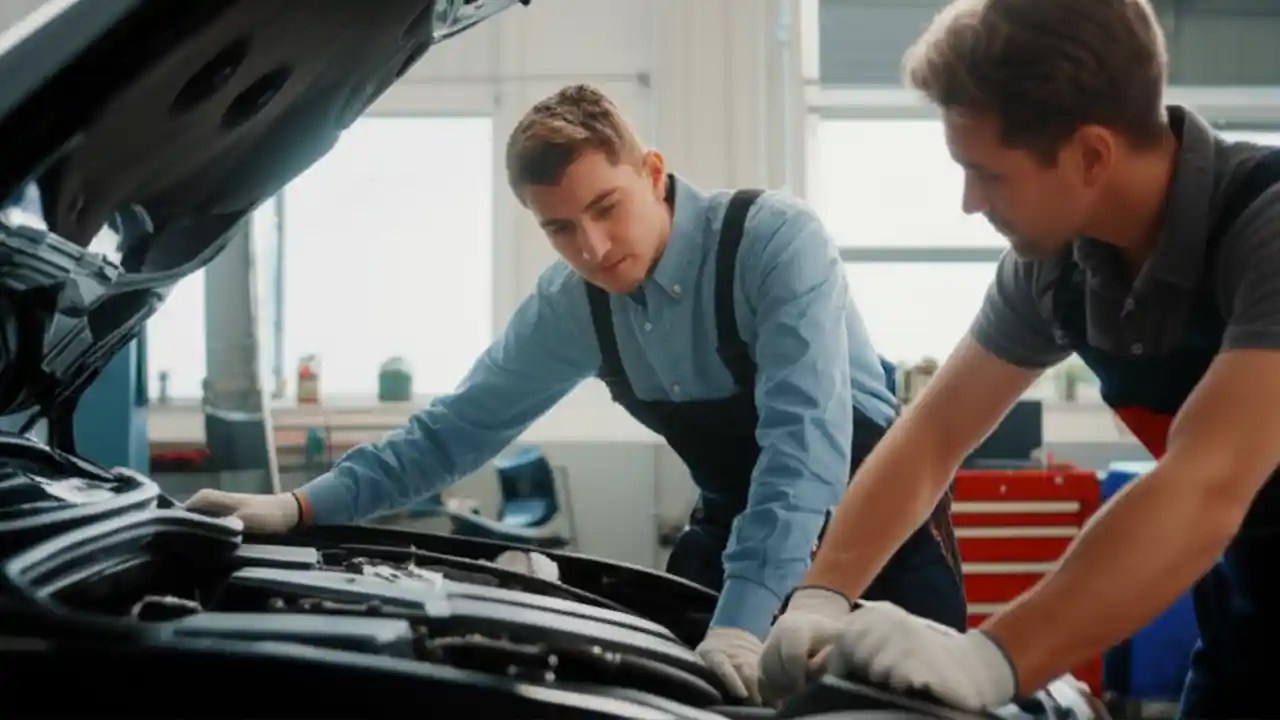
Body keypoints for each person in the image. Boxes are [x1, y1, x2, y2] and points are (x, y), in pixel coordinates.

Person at [184, 83, 966, 705]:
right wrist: (298, 509)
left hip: (878, 534)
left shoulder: (774, 243)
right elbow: (454, 431)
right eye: (559, 228)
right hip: (734, 532)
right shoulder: (574, 302)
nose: (590, 247)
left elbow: (803, 448)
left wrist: (740, 622)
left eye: (605, 208)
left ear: (652, 174)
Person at [757, 1, 1280, 717]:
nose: (970, 202)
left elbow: (1208, 483)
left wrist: (994, 657)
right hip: (1250, 619)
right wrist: (822, 595)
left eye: (989, 174)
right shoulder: (1057, 267)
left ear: (1091, 154)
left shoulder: (1267, 231)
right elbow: (933, 435)